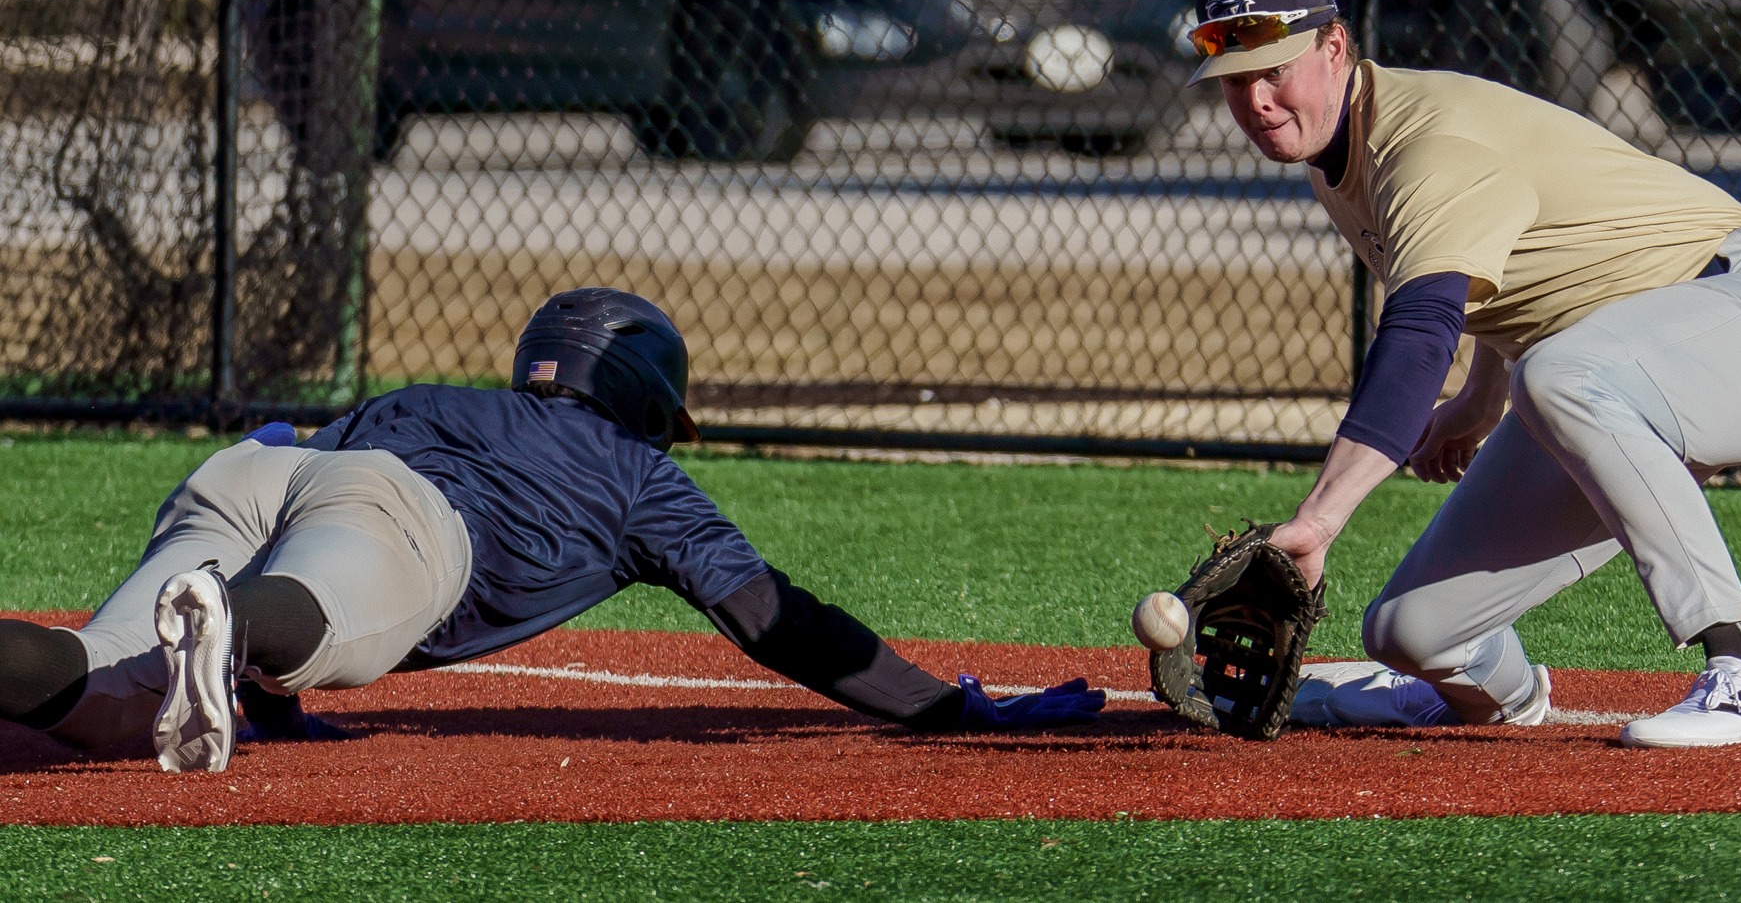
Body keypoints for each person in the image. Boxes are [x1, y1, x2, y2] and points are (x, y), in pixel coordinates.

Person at [0, 288, 1103, 772]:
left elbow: (300, 464)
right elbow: (777, 622)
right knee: (316, 608)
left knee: (105, 690)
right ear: (646, 400)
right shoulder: (636, 476)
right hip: (395, 511)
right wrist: (947, 706)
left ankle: (211, 629)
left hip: (256, 466)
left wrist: (276, 712)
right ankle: (232, 626)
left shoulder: (441, 396)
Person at [1183, 0, 1741, 747]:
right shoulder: (1337, 147)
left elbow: (1420, 336)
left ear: (1334, 47)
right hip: (1612, 373)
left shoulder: (1424, 144)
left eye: (1274, 69)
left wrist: (1317, 522)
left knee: (1556, 374)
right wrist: (1480, 399)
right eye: (1234, 77)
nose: (1255, 98)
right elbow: (1514, 264)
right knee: (1411, 632)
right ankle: (1506, 694)